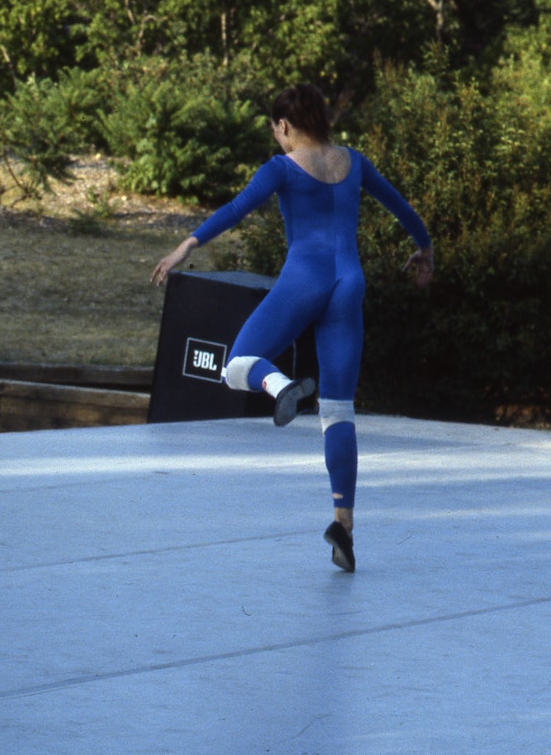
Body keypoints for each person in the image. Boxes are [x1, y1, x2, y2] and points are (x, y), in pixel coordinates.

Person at [151, 84, 433, 573]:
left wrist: (185, 247)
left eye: (275, 131)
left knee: (236, 365)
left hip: (304, 280)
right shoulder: (354, 162)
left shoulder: (281, 168)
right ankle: (343, 526)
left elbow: (235, 210)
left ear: (283, 126)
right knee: (339, 410)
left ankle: (281, 386)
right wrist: (424, 249)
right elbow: (403, 209)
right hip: (349, 284)